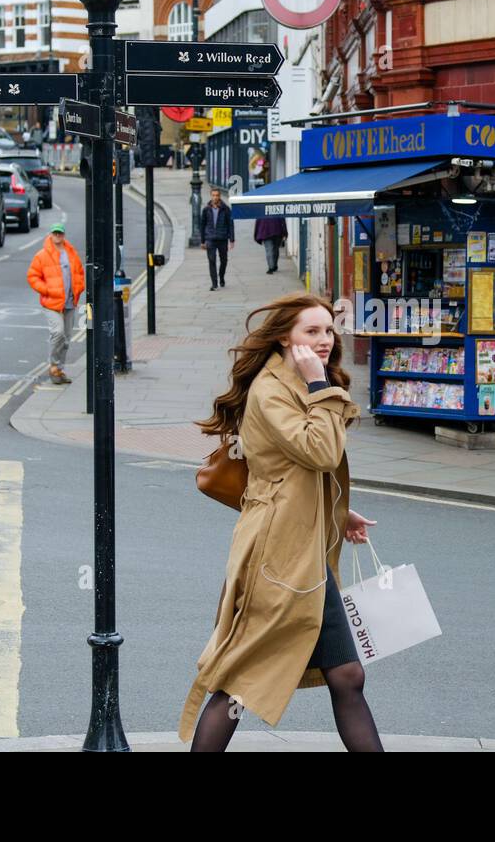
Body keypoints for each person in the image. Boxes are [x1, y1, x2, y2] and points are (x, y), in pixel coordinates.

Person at [180, 293, 384, 752]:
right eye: (312, 331)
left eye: (329, 330)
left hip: (305, 554)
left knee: (348, 675)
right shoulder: (272, 390)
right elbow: (321, 451)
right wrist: (319, 385)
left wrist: (336, 511)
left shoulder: (297, 380)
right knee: (239, 682)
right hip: (276, 559)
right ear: (285, 338)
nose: (325, 340)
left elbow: (298, 471)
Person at [27, 223, 85, 384]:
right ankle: (53, 365)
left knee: (66, 339)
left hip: (69, 302)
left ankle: (59, 370)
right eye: (55, 233)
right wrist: (46, 290)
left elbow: (80, 272)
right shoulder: (42, 255)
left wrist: (78, 288)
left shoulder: (71, 253)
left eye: (60, 233)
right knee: (58, 332)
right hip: (51, 303)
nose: (57, 236)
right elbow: (32, 276)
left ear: (64, 235)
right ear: (51, 235)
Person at [200, 186, 234, 291]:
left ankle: (221, 277)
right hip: (210, 238)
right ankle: (214, 283)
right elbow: (202, 225)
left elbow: (230, 224)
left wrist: (231, 240)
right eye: (213, 195)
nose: (215, 197)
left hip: (222, 238)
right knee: (212, 261)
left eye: (217, 195)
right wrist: (202, 241)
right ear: (211, 196)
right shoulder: (206, 209)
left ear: (219, 196)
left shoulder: (226, 209)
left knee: (224, 260)